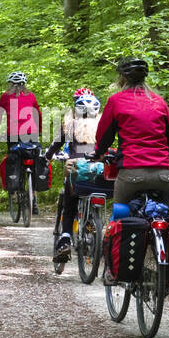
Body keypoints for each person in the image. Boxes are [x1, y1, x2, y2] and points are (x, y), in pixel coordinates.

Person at [93, 58, 169, 282]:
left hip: (131, 172)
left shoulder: (116, 100)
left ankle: (113, 271)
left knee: (118, 219)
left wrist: (99, 153)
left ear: (121, 78)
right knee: (165, 218)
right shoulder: (158, 101)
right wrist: (166, 157)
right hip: (163, 174)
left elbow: (104, 136)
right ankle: (165, 268)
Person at [44, 88, 102, 260]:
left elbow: (56, 144)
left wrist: (47, 156)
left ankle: (65, 239)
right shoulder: (102, 125)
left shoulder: (71, 124)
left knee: (70, 206)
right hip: (98, 169)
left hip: (76, 169)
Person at [0, 70, 43, 214]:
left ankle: (14, 192)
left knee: (13, 158)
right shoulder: (31, 96)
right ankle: (34, 198)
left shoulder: (5, 96)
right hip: (31, 133)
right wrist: (39, 129)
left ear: (10, 84)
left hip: (13, 135)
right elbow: (38, 114)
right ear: (24, 85)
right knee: (33, 161)